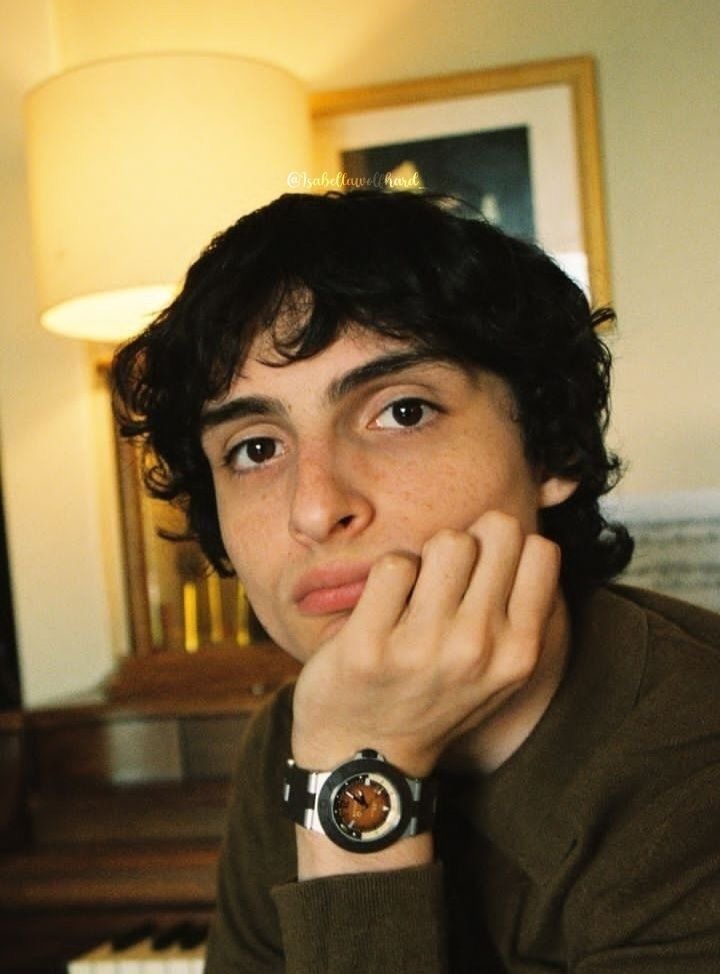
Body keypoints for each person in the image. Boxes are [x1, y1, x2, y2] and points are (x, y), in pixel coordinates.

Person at [111, 190, 720, 973]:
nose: (315, 508)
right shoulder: (302, 730)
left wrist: (354, 769)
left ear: (553, 448)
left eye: (402, 411)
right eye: (256, 449)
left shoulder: (695, 755)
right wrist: (356, 753)